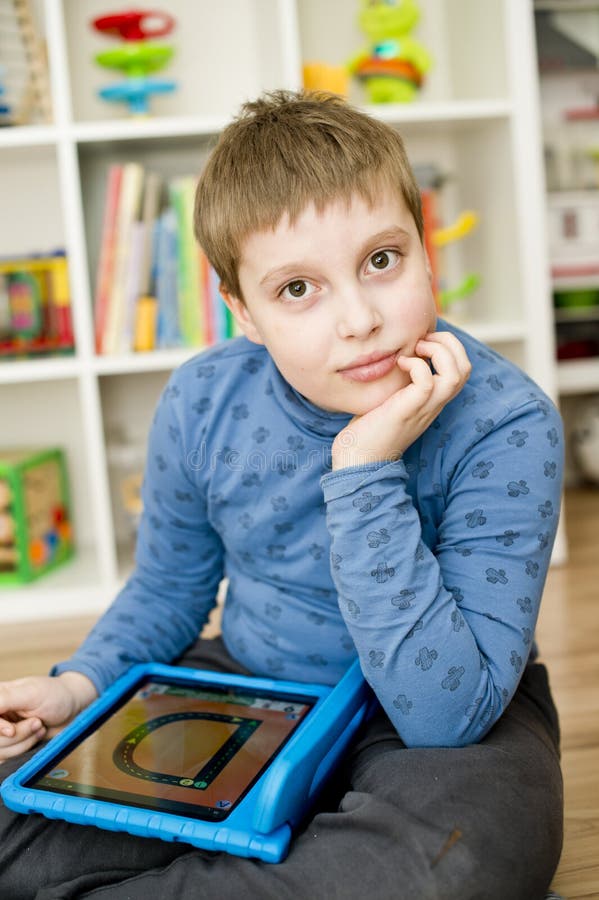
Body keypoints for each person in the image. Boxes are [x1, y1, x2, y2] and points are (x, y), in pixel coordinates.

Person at [0, 90, 564, 899]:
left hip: (447, 703)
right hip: (247, 676)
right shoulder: (201, 401)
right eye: (298, 289)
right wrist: (77, 686)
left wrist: (364, 474)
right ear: (244, 311)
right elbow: (169, 587)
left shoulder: (506, 424)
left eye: (381, 260)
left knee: (460, 860)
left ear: (424, 248)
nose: (360, 319)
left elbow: (449, 714)